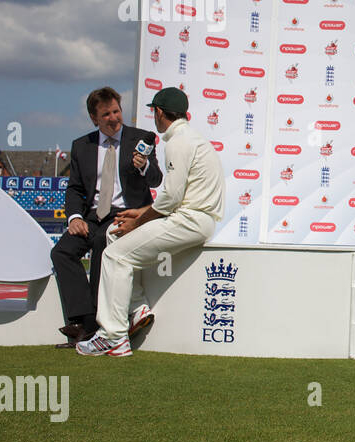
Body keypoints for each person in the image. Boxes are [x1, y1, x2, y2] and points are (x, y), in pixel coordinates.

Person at [77, 87, 225, 357]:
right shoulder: (189, 138)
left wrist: (140, 220)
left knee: (114, 257)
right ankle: (137, 308)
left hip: (189, 221)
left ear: (158, 112)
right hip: (193, 218)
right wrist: (141, 213)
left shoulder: (177, 142)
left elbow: (170, 197)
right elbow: (175, 196)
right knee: (113, 234)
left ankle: (113, 336)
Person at [51, 87, 162, 347]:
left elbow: (156, 179)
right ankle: (84, 320)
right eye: (106, 114)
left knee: (103, 243)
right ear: (94, 118)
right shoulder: (82, 146)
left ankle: (97, 325)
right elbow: (76, 189)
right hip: (91, 216)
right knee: (62, 252)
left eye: (116, 111)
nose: (113, 118)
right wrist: (75, 217)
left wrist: (144, 166)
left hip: (126, 214)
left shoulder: (141, 139)